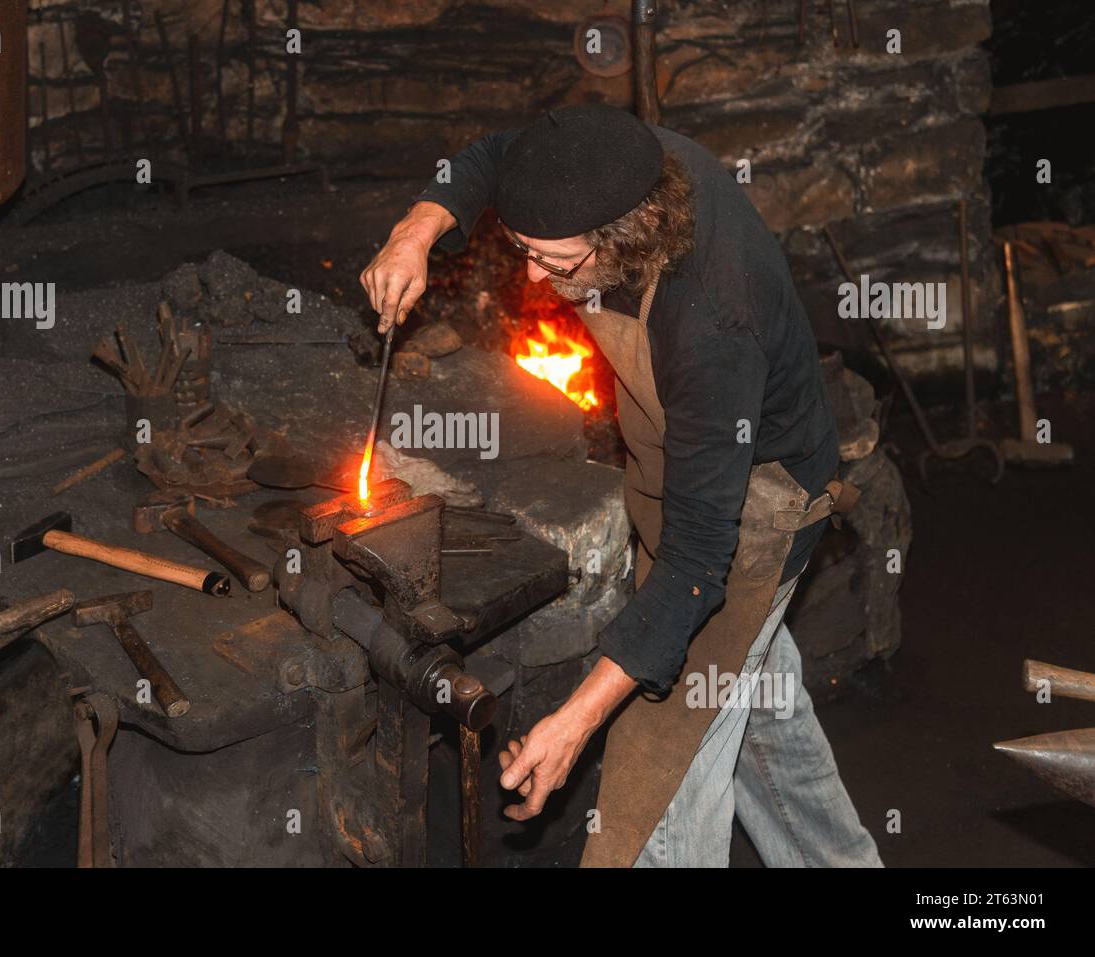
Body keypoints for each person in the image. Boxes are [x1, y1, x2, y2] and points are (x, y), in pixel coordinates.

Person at [360, 103, 880, 867]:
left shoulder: (711, 318)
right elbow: (496, 151)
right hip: (681, 471)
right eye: (522, 248)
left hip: (757, 512)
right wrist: (414, 233)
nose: (534, 277)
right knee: (762, 716)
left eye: (554, 260)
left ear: (622, 234)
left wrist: (574, 722)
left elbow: (701, 564)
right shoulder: (608, 162)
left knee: (655, 806)